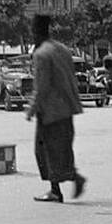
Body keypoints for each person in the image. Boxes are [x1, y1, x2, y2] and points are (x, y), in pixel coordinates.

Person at [25, 13, 87, 203]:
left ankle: (59, 187)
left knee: (44, 151)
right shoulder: (62, 48)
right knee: (62, 149)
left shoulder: (41, 54)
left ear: (35, 32)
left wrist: (31, 109)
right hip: (67, 107)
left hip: (50, 111)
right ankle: (68, 181)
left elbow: (41, 86)